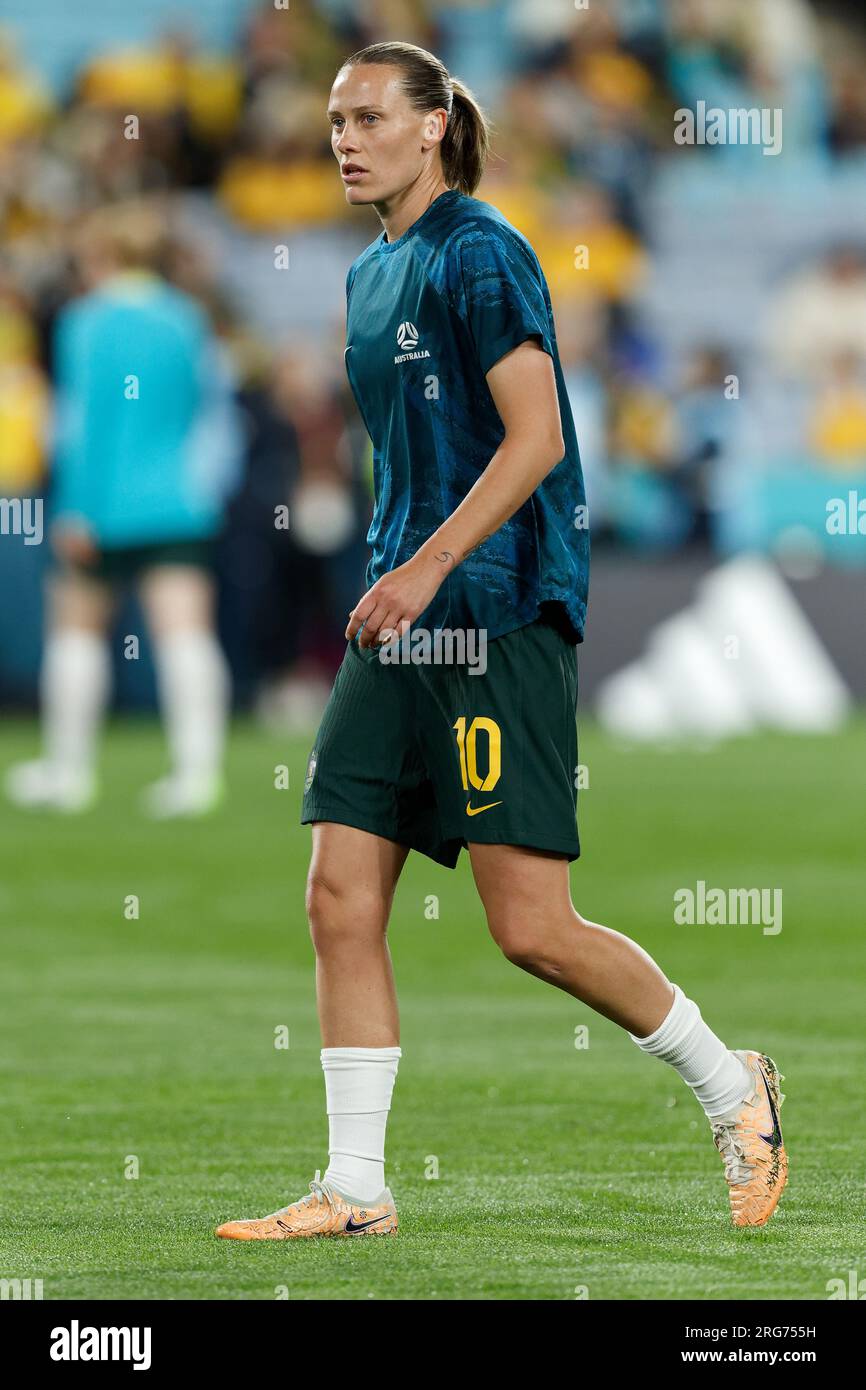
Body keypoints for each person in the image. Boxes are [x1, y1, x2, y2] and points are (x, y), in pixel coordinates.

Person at [215, 42, 787, 1240]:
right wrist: (391, 572)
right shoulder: (372, 272)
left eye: (370, 116)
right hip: (401, 615)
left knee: (528, 926)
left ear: (432, 129)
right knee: (335, 892)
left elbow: (531, 441)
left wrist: (424, 570)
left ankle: (734, 1085)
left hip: (490, 615)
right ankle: (357, 1186)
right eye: (333, 118)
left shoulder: (483, 249)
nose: (344, 136)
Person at [5, 201, 240, 819]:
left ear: (101, 254)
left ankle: (69, 772)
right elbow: (205, 413)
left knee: (76, 631)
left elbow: (80, 425)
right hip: (178, 501)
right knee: (185, 632)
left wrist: (75, 506)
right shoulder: (187, 318)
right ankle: (196, 775)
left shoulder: (84, 322)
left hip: (104, 503)